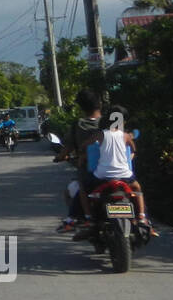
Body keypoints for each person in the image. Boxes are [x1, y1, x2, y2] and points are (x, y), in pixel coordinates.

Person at [76, 105, 155, 235]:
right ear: (121, 122)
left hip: (102, 176)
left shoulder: (99, 134)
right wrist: (129, 156)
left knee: (83, 188)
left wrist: (81, 153)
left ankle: (89, 218)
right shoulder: (126, 136)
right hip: (125, 176)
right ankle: (141, 217)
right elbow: (133, 150)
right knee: (137, 189)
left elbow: (83, 146)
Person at [53, 88, 101, 231]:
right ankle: (142, 217)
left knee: (74, 190)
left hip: (90, 172)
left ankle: (78, 219)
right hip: (120, 174)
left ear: (80, 107)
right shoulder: (111, 125)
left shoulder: (78, 125)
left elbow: (67, 148)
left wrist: (60, 157)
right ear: (99, 104)